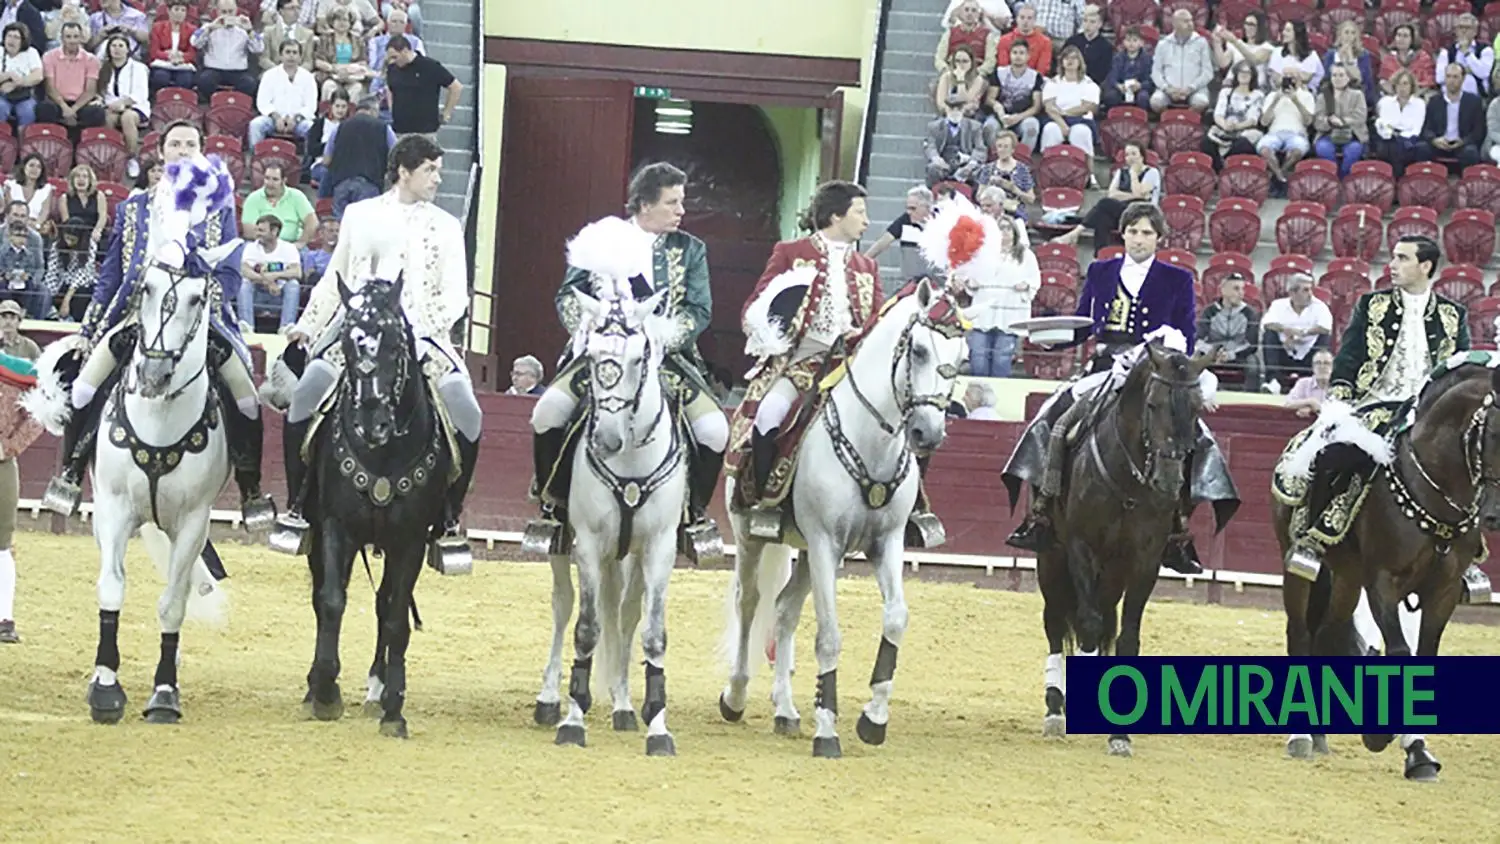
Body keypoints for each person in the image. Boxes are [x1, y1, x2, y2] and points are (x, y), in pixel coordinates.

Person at [45, 120, 271, 530]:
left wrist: (204, 302)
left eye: (191, 144)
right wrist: (88, 328)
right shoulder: (134, 208)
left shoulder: (219, 209)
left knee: (247, 398)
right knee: (83, 385)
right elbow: (112, 274)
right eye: (175, 143)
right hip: (137, 316)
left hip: (197, 320)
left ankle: (251, 489)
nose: (183, 150)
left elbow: (232, 273)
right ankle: (71, 471)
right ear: (161, 152)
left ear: (201, 151)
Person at [1002, 202, 1237, 575]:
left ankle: (1178, 530)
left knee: (1194, 437)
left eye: (1146, 233)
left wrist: (1173, 355)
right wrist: (1053, 339)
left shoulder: (1177, 279)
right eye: (1133, 231)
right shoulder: (1100, 270)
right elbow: (1085, 323)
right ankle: (1042, 511)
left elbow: (1188, 336)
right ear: (1123, 234)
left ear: (1159, 239)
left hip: (1154, 373)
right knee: (1055, 418)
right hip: (1105, 367)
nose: (1139, 239)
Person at [278, 134, 479, 548]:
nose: (437, 179)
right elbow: (337, 279)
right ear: (404, 172)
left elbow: (457, 295)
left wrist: (416, 333)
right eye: (430, 170)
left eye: (438, 170)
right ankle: (297, 505)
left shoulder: (446, 225)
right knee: (304, 397)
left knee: (468, 413)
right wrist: (308, 326)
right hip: (358, 337)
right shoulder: (360, 214)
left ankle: (449, 518)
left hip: (424, 339)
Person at [526, 162, 727, 556]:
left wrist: (663, 338)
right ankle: (553, 504)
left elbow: (698, 310)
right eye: (673, 203)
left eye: (680, 202)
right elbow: (568, 296)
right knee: (547, 412)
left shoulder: (690, 250)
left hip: (667, 362)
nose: (681, 211)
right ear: (645, 204)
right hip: (601, 359)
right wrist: (589, 332)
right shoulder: (602, 240)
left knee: (715, 431)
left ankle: (694, 514)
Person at [1280, 236, 1477, 594]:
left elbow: (1459, 371)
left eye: (1402, 258)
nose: (1393, 264)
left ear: (1426, 267)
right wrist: (1338, 405)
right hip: (1376, 406)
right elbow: (1349, 357)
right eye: (1393, 257)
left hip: (1429, 413)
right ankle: (1313, 538)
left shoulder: (1453, 315)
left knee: (1474, 464)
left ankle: (1470, 556)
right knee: (1333, 454)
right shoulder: (1372, 305)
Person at [0, 337, 40, 644]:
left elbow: (42, 409)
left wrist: (9, 447)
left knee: (1, 544)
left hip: (0, 464)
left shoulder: (17, 370)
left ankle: (4, 617)